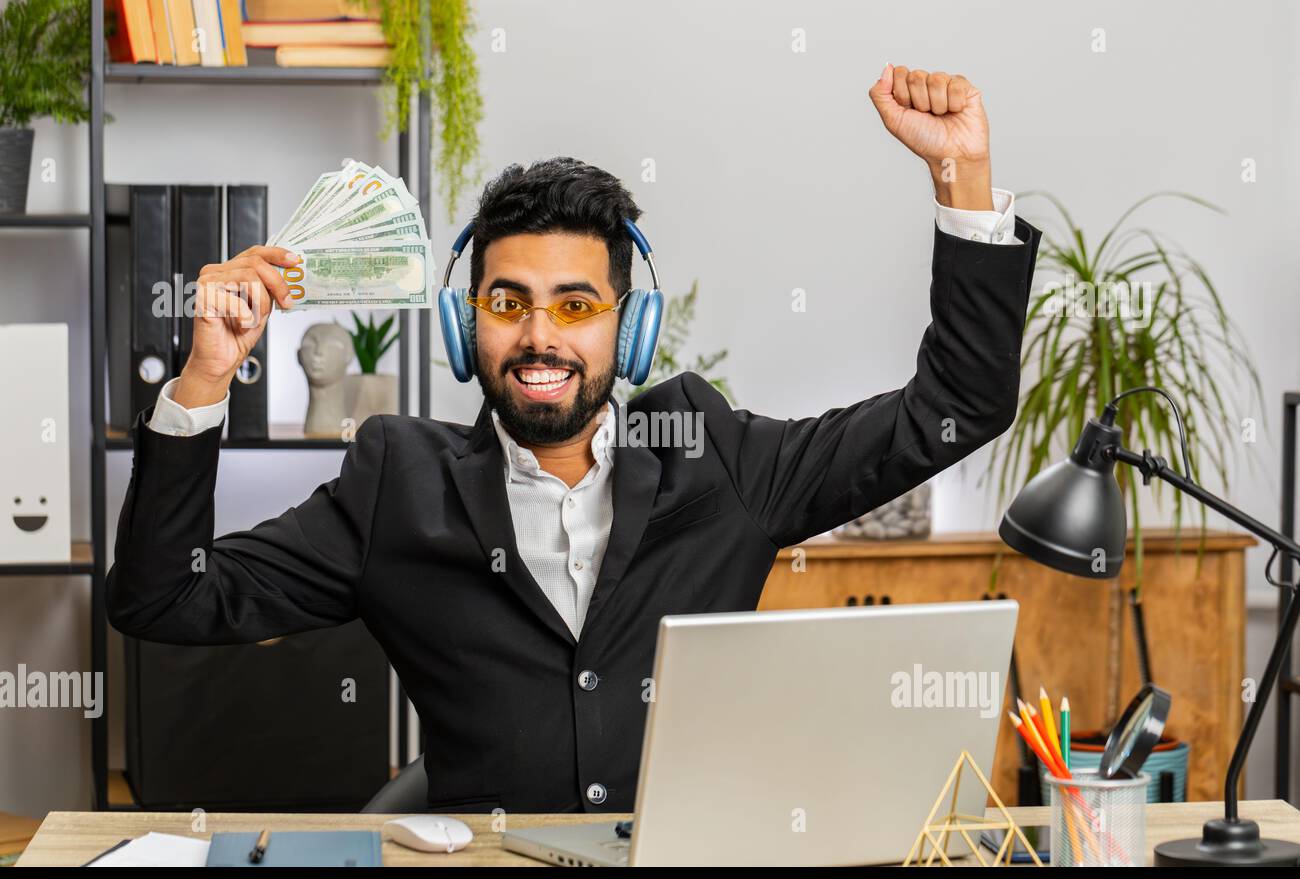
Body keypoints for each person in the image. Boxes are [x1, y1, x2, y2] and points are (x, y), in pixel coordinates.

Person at [107, 65, 1042, 813]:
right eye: (507, 303)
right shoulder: (397, 481)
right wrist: (204, 380)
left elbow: (957, 402)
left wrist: (962, 184)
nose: (540, 336)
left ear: (627, 330)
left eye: (577, 306)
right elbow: (161, 602)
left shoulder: (715, 458)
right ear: (463, 323)